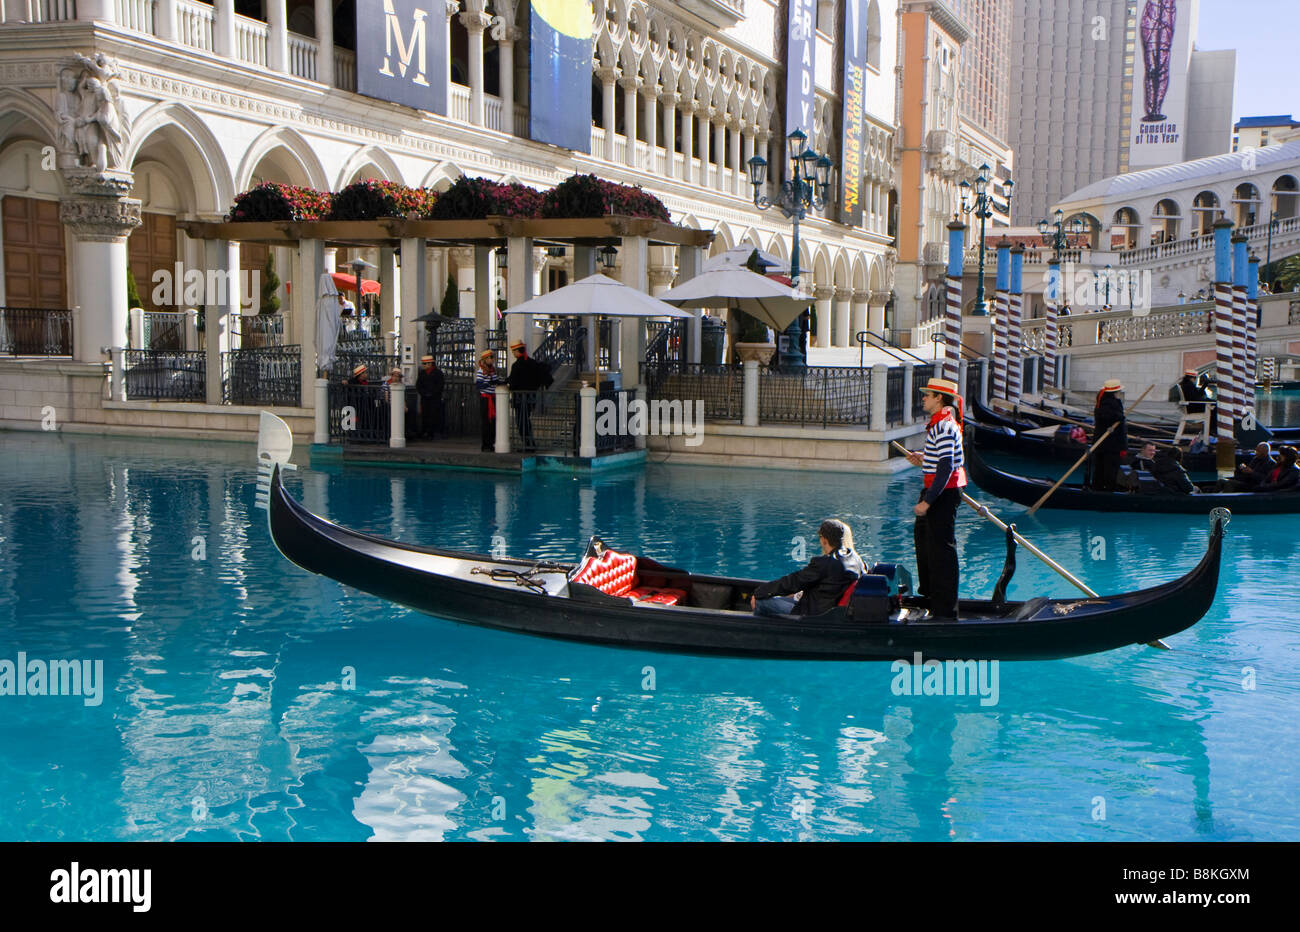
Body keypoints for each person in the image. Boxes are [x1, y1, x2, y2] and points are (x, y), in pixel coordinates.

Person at [904, 376, 966, 621]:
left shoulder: (945, 425)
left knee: (942, 551)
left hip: (943, 494)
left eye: (927, 395)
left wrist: (927, 502)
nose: (923, 398)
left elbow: (946, 467)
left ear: (939, 398)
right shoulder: (939, 423)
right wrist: (924, 457)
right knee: (925, 541)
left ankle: (945, 612)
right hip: (937, 490)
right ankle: (931, 596)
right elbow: (941, 459)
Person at [750, 519, 864, 617]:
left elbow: (793, 582)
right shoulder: (855, 559)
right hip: (829, 610)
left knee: (761, 602)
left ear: (824, 539)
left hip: (813, 614)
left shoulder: (825, 562)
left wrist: (760, 592)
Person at [506, 340, 553, 451]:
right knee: (526, 421)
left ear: (518, 351)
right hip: (530, 397)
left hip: (520, 398)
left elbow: (513, 382)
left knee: (521, 422)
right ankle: (529, 444)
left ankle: (528, 445)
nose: (513, 353)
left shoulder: (517, 365)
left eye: (514, 351)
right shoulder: (532, 363)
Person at [1092, 379, 1127, 491]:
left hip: (1103, 443)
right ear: (1115, 392)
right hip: (1110, 445)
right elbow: (1111, 417)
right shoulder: (1110, 403)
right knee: (1110, 469)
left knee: (1101, 468)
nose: (1120, 393)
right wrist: (1121, 417)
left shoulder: (1102, 401)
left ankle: (1098, 487)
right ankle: (1107, 490)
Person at [475, 350, 502, 452]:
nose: (493, 360)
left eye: (493, 358)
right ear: (486, 359)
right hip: (485, 399)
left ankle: (491, 443)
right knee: (486, 422)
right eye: (491, 358)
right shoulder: (481, 371)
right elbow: (478, 385)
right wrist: (489, 383)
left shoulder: (492, 371)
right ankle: (485, 444)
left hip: (492, 398)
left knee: (492, 422)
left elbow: (494, 382)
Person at [415, 354, 444, 440]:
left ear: (430, 364)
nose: (423, 366)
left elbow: (440, 386)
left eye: (425, 364)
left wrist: (432, 393)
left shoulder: (438, 373)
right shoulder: (422, 373)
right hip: (425, 398)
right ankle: (425, 431)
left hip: (435, 398)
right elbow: (418, 385)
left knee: (433, 415)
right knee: (425, 415)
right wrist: (424, 393)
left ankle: (432, 433)